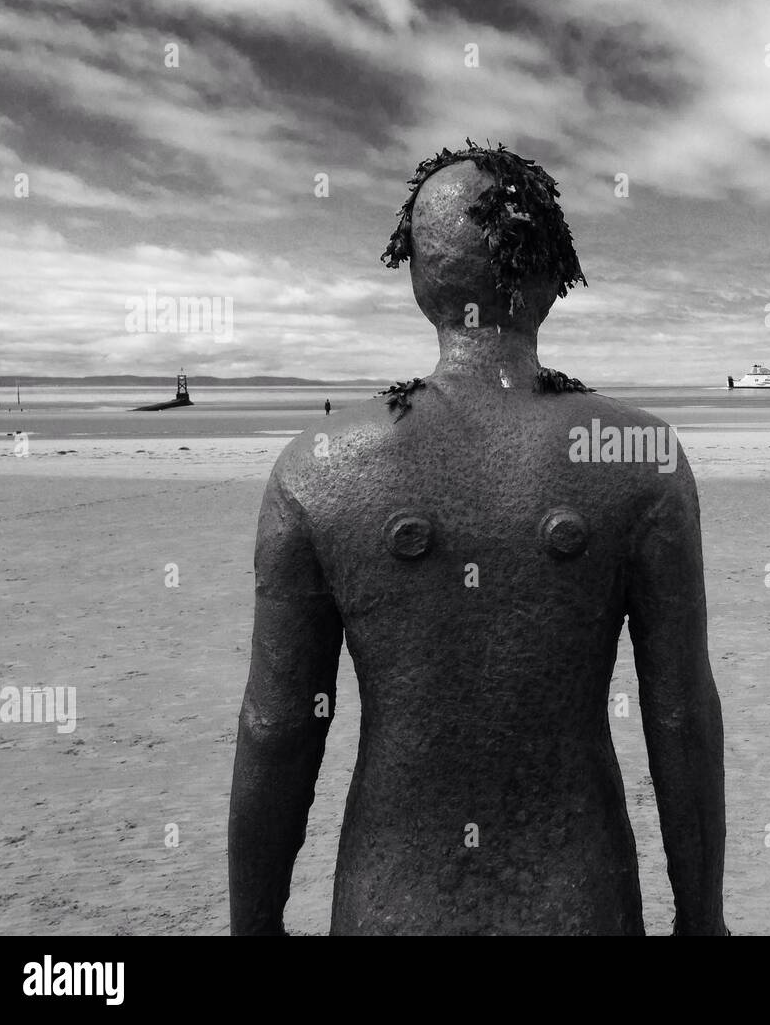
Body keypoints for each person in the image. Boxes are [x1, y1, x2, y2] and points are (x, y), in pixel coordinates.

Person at [229, 142, 728, 936]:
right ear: (552, 280)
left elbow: (279, 725)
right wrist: (702, 922)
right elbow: (680, 717)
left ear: (422, 279)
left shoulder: (320, 466)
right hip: (582, 903)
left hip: (387, 907)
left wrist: (252, 928)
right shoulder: (639, 457)